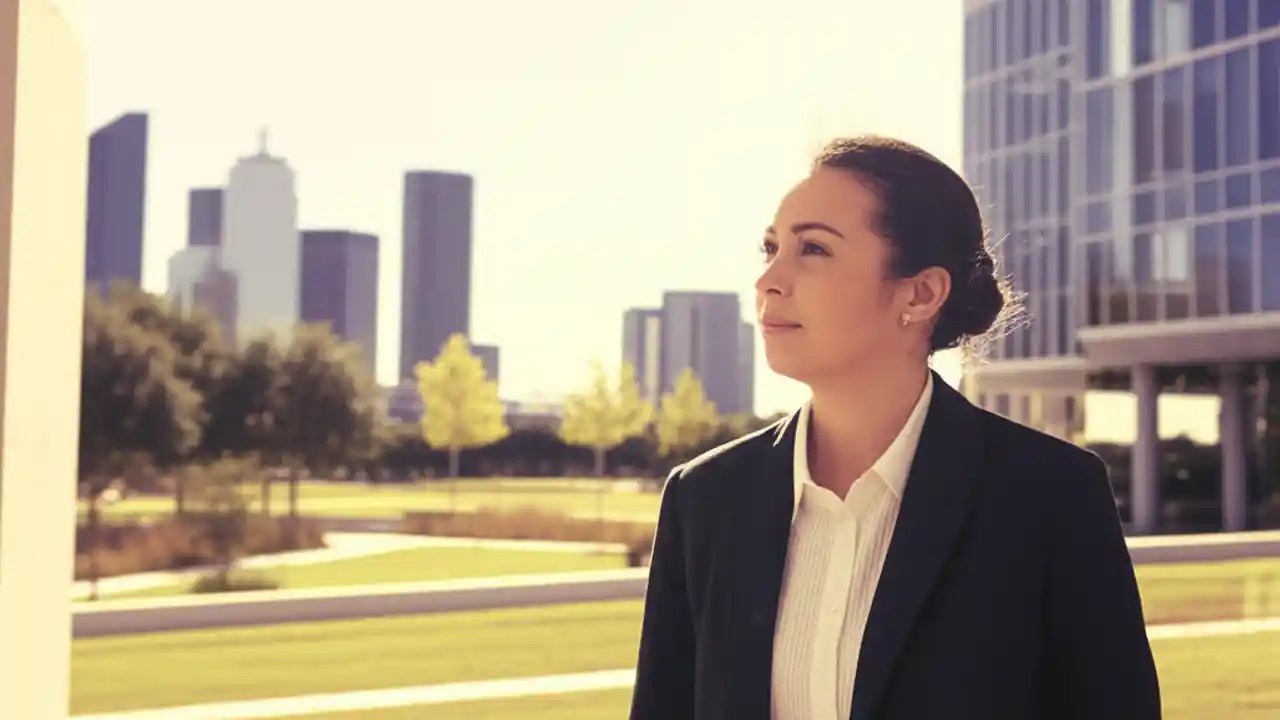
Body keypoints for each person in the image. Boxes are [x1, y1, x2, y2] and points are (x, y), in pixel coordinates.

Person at [629, 135, 1161, 720]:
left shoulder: (1049, 495)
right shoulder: (705, 499)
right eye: (770, 248)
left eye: (813, 250)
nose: (769, 282)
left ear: (922, 293)